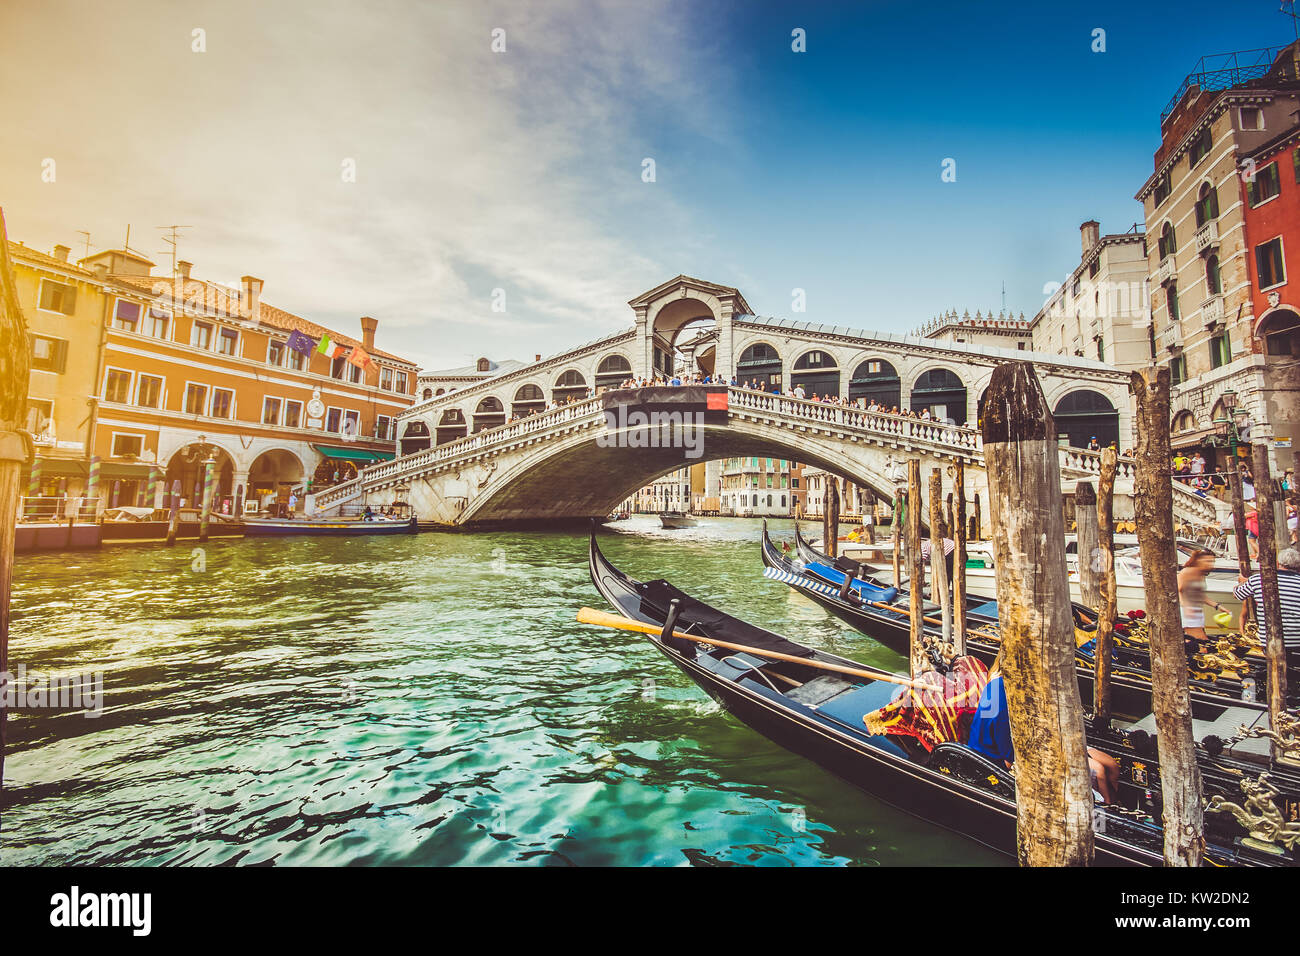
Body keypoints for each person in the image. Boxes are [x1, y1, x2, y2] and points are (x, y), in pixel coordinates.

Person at [969, 660, 1120, 801]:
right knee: (1099, 771)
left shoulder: (1026, 688)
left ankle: (1115, 807)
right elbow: (1008, 753)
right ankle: (1106, 815)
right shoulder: (999, 692)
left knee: (1110, 764)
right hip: (1001, 759)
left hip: (1042, 743)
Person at [1233, 548, 1300, 670]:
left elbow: (1237, 594)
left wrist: (1243, 582)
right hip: (1297, 641)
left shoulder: (1259, 579)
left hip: (1270, 641)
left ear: (1278, 564)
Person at [1178, 549, 1225, 640]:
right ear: (1198, 560)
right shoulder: (1186, 572)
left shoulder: (1201, 574)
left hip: (1197, 610)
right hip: (1188, 611)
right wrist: (1186, 607)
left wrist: (1217, 606)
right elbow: (1178, 590)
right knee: (1202, 642)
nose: (1210, 564)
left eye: (1212, 561)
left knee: (1192, 640)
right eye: (1207, 561)